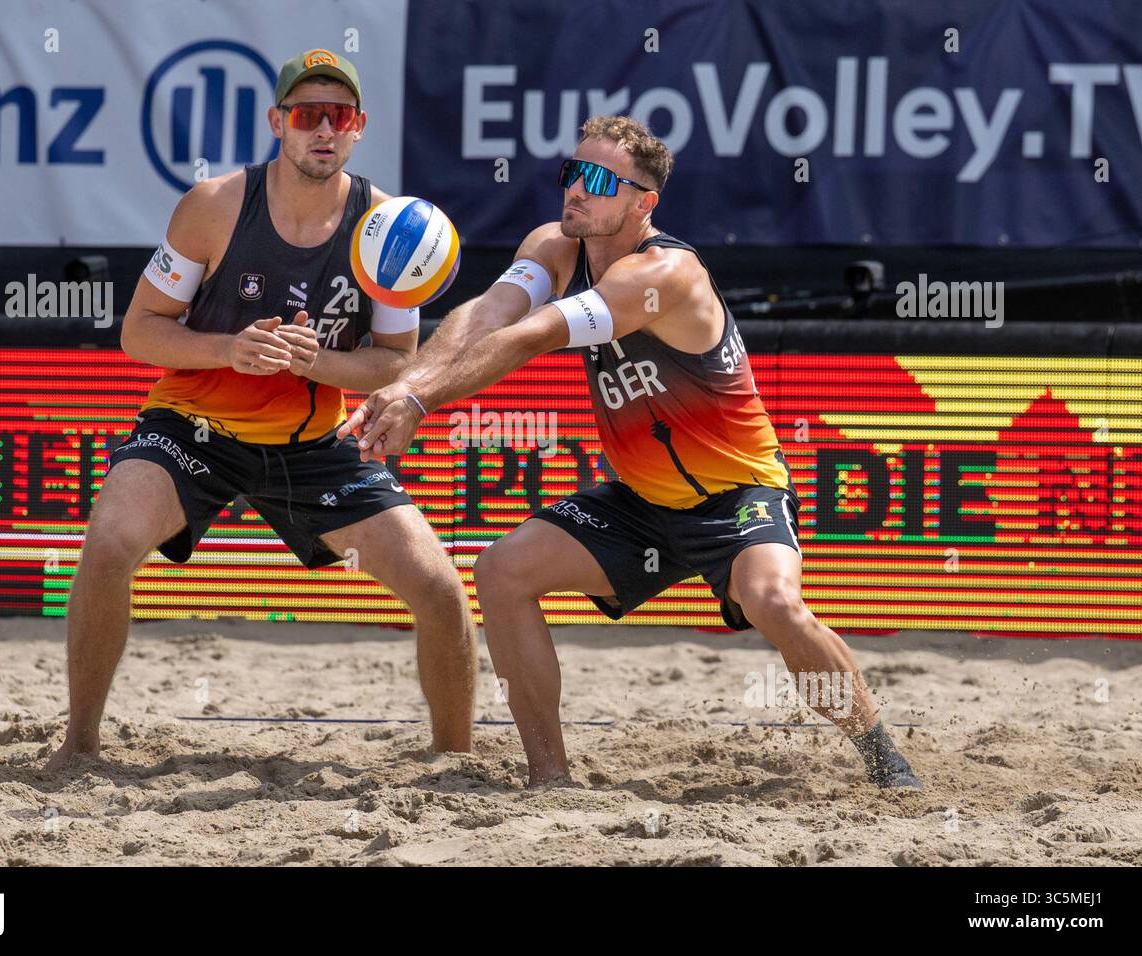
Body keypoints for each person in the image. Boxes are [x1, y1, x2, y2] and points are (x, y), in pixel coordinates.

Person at [339, 115, 923, 790]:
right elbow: (488, 314)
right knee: (501, 572)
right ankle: (550, 779)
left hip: (735, 495)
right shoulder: (558, 244)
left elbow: (530, 336)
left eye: (596, 179)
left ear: (644, 201)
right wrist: (407, 383)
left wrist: (418, 404)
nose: (575, 191)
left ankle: (885, 759)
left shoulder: (666, 274)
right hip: (639, 500)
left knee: (776, 604)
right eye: (571, 172)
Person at [46, 49, 476, 771]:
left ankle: (454, 763)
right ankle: (81, 745)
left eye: (339, 117)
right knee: (109, 545)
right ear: (279, 121)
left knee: (437, 586)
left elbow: (395, 361)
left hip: (310, 444)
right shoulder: (214, 206)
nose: (323, 130)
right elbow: (139, 330)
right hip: (195, 427)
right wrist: (228, 350)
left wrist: (319, 363)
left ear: (360, 126)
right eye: (308, 115)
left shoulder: (388, 228)